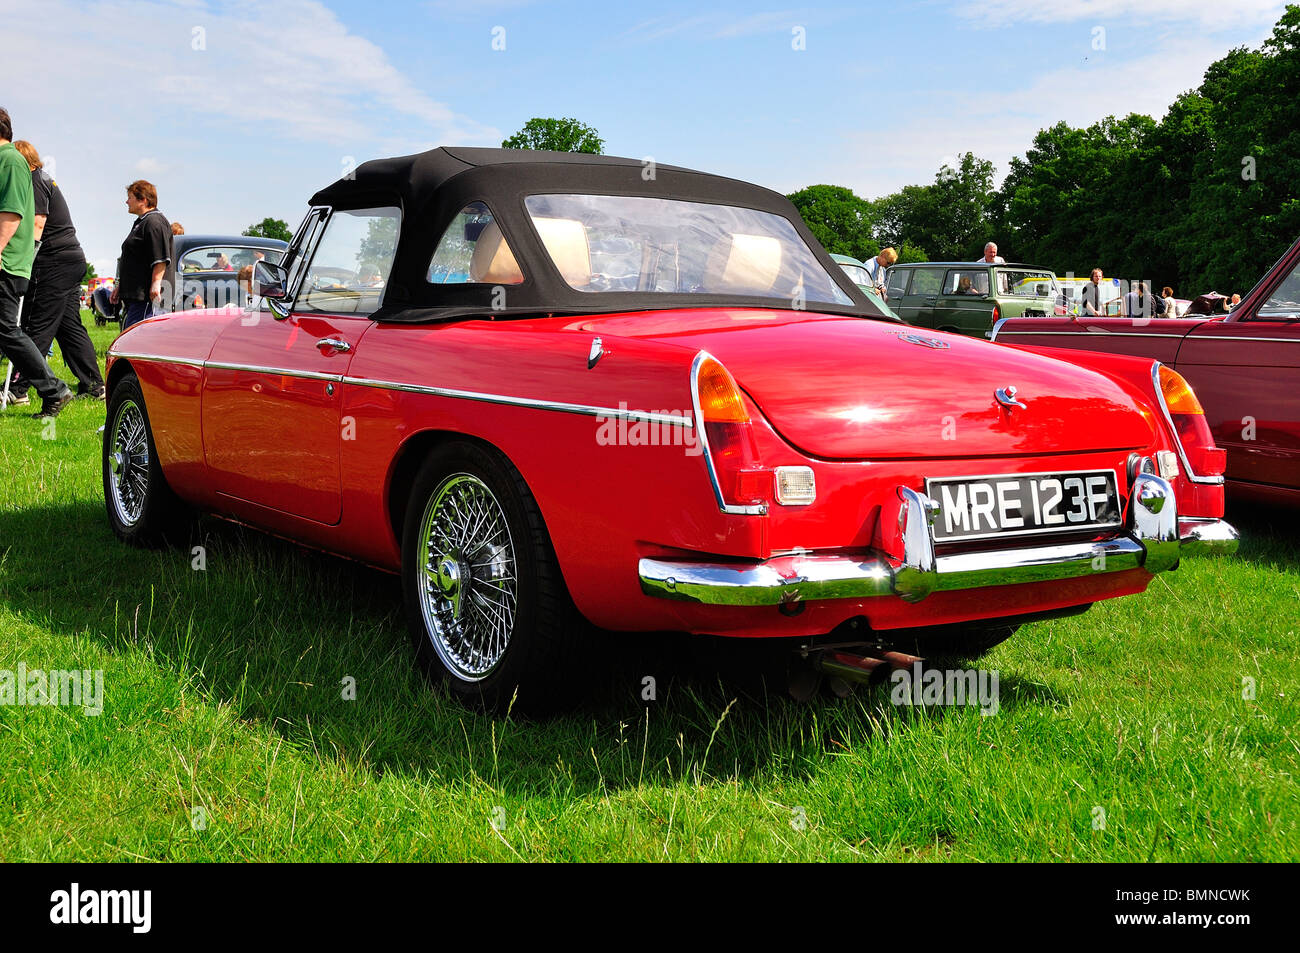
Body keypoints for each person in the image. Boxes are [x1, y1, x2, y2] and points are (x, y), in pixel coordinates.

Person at [5, 141, 103, 402]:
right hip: (70, 259)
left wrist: (24, 261)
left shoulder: (33, 180)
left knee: (36, 324)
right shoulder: (45, 179)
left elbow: (37, 224)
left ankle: (18, 389)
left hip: (52, 261)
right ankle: (94, 385)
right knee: (69, 328)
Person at [0, 107, 73, 418]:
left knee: (6, 330)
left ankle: (54, 390)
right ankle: (53, 390)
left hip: (6, 263)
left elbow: (12, 213)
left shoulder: (10, 160)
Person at [111, 180, 172, 329]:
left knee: (141, 339)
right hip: (137, 299)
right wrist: (121, 286)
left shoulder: (154, 222)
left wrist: (156, 284)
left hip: (147, 299)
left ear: (143, 200)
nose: (127, 201)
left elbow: (160, 258)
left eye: (130, 197)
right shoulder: (142, 222)